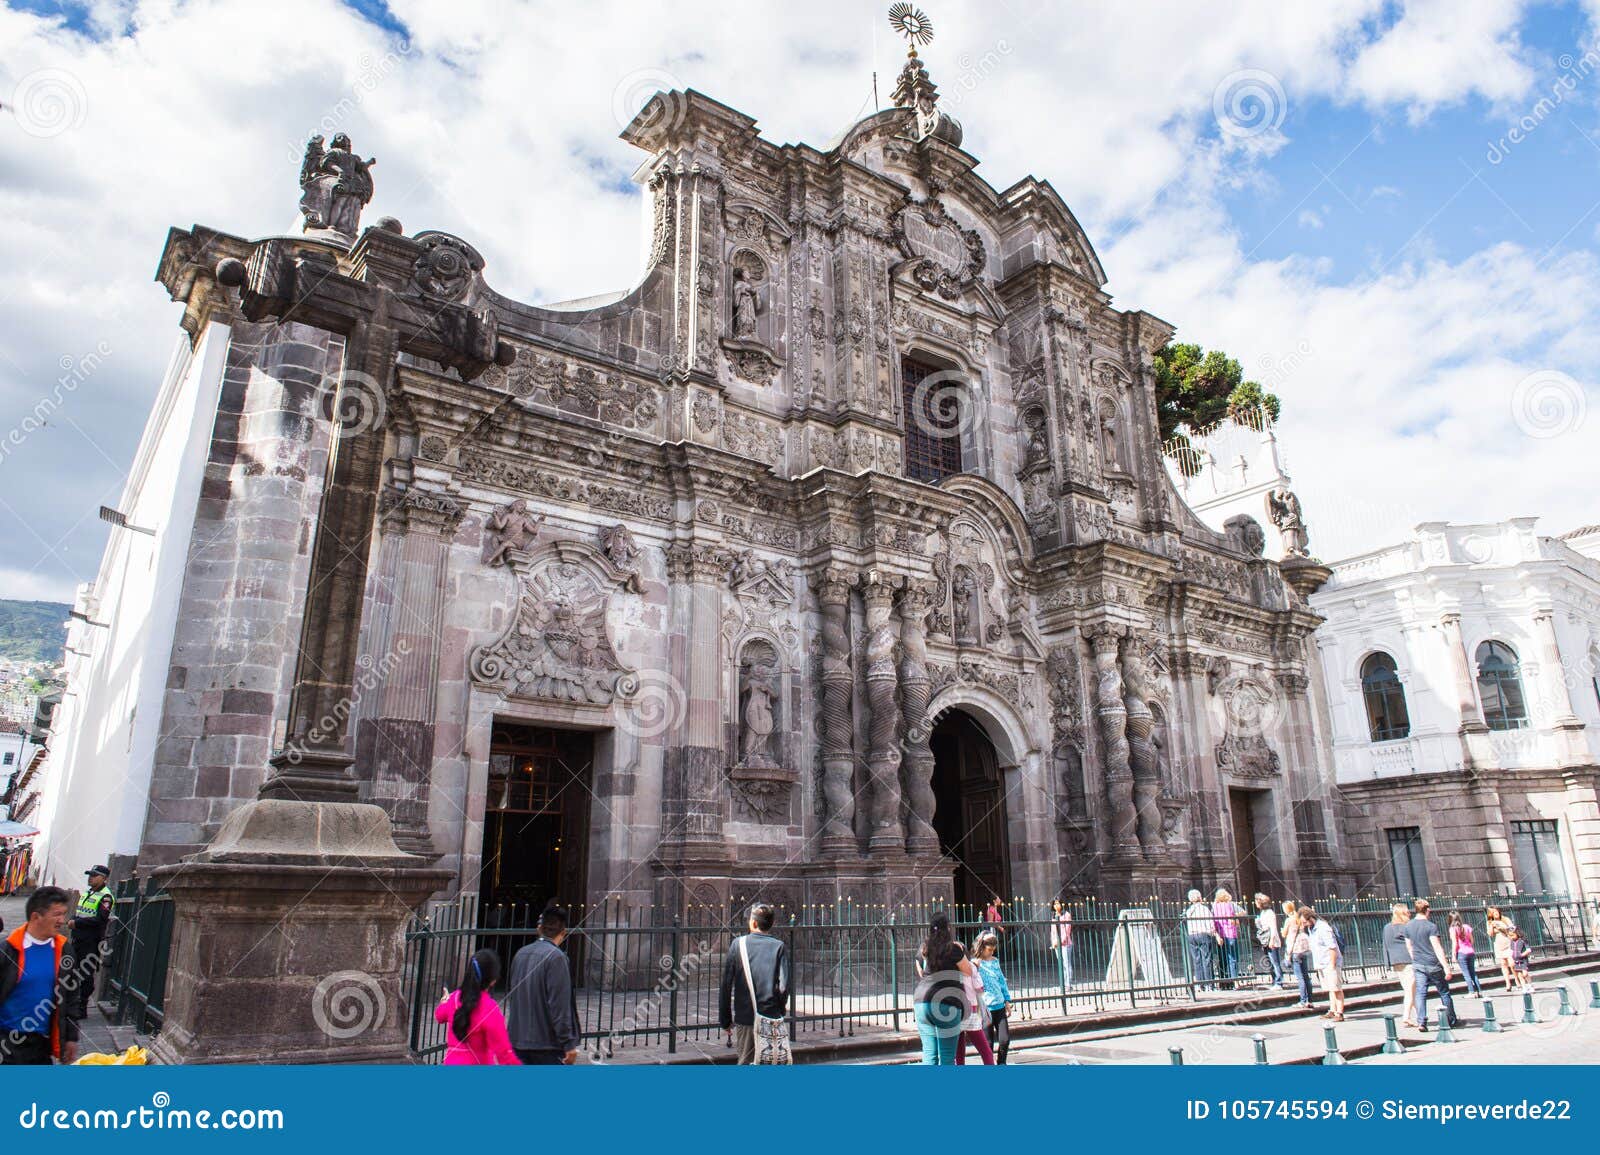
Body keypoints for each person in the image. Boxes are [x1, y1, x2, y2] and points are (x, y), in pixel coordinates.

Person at [0, 886, 80, 1065]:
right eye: (56, 914)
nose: (62, 920)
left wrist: (71, 1037)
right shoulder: (8, 950)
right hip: (7, 1043)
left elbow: (71, 996)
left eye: (64, 914)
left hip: (42, 1044)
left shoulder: (64, 951)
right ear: (36, 917)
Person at [718, 902, 791, 1065]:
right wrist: (778, 1011)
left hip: (746, 1017)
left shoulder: (738, 944)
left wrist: (725, 1020)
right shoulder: (779, 946)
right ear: (772, 923)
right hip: (771, 1016)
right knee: (772, 1062)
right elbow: (784, 987)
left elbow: (726, 986)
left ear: (753, 923)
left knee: (746, 1061)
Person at [506, 906, 579, 1065]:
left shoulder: (520, 953)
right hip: (545, 1046)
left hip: (518, 1040)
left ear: (539, 929)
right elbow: (559, 1005)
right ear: (563, 932)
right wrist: (568, 1043)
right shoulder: (557, 958)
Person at [435, 948, 518, 1065]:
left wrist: (444, 1002)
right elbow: (504, 1054)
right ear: (493, 980)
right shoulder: (489, 1007)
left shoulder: (454, 997)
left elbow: (439, 1016)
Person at [913, 914, 969, 1065]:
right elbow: (968, 971)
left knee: (929, 1053)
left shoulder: (925, 947)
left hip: (922, 1001)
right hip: (947, 1001)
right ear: (948, 928)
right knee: (947, 1056)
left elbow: (920, 971)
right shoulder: (953, 948)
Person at [1401, 899, 1457, 1032]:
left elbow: (1409, 946)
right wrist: (1446, 967)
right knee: (1444, 992)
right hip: (1433, 964)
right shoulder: (1430, 926)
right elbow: (1437, 947)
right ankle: (1451, 1019)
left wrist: (1415, 959)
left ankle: (1421, 1021)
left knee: (1421, 993)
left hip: (1418, 964)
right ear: (1427, 910)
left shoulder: (1408, 926)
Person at [69, 865, 114, 1018]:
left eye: (94, 875)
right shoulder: (88, 893)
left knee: (86, 973)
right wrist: (73, 920)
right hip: (78, 938)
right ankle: (72, 1003)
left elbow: (100, 920)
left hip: (91, 941)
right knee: (72, 971)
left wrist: (77, 923)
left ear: (104, 878)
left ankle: (82, 1007)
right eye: (90, 875)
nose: (91, 878)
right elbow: (80, 912)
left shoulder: (106, 897)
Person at [973, 931, 1012, 1064]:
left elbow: (1001, 980)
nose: (991, 952)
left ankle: (1001, 1063)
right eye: (989, 949)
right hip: (985, 1008)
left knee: (1004, 1040)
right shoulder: (975, 963)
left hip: (999, 1005)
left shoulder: (995, 961)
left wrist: (1007, 1000)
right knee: (988, 1043)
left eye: (993, 949)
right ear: (982, 947)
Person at [954, 943, 995, 1066]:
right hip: (970, 1010)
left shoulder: (950, 968)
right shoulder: (971, 966)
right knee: (984, 1049)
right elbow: (979, 988)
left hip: (956, 1010)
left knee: (959, 1048)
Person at [1305, 906, 1345, 1021]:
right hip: (1321, 962)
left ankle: (1339, 1013)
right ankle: (1332, 1010)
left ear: (1310, 919)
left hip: (1330, 962)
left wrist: (1332, 965)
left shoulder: (1323, 928)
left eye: (1304, 922)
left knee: (1336, 988)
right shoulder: (1311, 929)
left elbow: (1332, 947)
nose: (1303, 924)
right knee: (1330, 988)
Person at [1381, 903, 1417, 1027]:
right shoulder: (1407, 926)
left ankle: (1420, 1015)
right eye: (1407, 912)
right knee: (1410, 990)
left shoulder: (1387, 927)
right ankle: (1406, 1017)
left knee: (1410, 989)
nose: (1410, 913)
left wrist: (1387, 962)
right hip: (1409, 960)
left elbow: (1385, 945)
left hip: (1396, 961)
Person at [1183, 889, 1218, 990]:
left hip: (1192, 936)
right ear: (1199, 897)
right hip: (1203, 935)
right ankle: (1209, 984)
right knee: (1207, 959)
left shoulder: (1189, 911)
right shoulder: (1204, 909)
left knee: (1197, 960)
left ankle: (1200, 984)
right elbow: (1210, 923)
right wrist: (1214, 933)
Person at [1282, 904, 1316, 1009]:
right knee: (1306, 976)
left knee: (1300, 977)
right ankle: (1310, 1000)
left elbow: (1287, 936)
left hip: (1295, 950)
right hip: (1303, 950)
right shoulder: (1299, 919)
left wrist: (1288, 954)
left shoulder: (1289, 920)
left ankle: (1303, 1001)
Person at [1447, 911, 1482, 996]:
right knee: (1473, 972)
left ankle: (1471, 992)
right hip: (1470, 951)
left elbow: (1455, 943)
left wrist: (1453, 955)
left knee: (1466, 973)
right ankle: (1479, 991)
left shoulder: (1453, 929)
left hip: (1461, 952)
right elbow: (1472, 940)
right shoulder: (1466, 927)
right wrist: (1468, 946)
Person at [1212, 889, 1241, 986]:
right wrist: (1236, 918)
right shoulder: (1229, 905)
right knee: (1232, 958)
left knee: (1222, 958)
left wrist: (1216, 934)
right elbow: (1233, 919)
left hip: (1220, 935)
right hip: (1230, 933)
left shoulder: (1214, 907)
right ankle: (1235, 981)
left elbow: (1214, 921)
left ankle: (1223, 981)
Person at [1253, 893, 1282, 987]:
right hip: (1265, 940)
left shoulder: (1270, 913)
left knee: (1275, 962)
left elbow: (1273, 928)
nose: (1255, 903)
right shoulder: (1262, 913)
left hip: (1271, 941)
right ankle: (1274, 980)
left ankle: (1279, 982)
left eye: (1256, 901)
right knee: (1269, 962)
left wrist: (1272, 940)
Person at [1487, 907, 1516, 990]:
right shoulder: (1490, 922)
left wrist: (1501, 928)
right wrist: (1492, 926)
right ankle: (1508, 983)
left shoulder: (1505, 919)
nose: (1496, 913)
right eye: (1493, 912)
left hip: (1508, 942)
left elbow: (1512, 929)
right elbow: (1490, 934)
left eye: (1496, 911)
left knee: (1512, 964)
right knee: (1503, 964)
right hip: (1499, 944)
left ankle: (1517, 980)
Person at [1049, 898, 1074, 989]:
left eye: (1058, 903)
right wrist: (1053, 942)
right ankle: (1063, 984)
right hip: (1056, 944)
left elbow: (1067, 930)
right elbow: (1053, 931)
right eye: (1054, 904)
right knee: (1061, 965)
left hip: (1065, 944)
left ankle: (1068, 984)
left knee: (1067, 964)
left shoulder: (1067, 915)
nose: (1056, 906)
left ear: (1062, 904)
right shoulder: (1054, 916)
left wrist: (1060, 942)